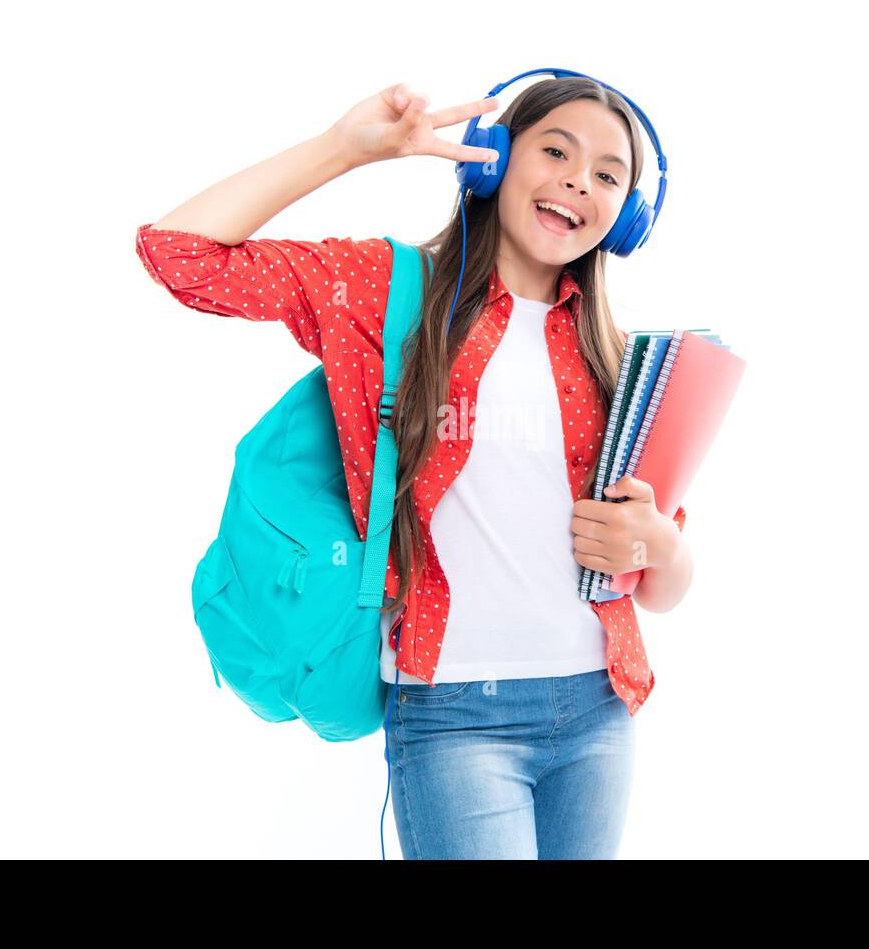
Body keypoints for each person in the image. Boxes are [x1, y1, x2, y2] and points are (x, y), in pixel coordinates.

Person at [134, 76, 694, 859]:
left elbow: (660, 585)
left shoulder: (617, 360)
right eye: (556, 151)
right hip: (457, 715)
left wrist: (663, 551)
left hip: (599, 710)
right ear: (492, 162)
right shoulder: (389, 294)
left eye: (607, 174)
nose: (578, 180)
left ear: (628, 214)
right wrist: (343, 150)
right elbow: (179, 253)